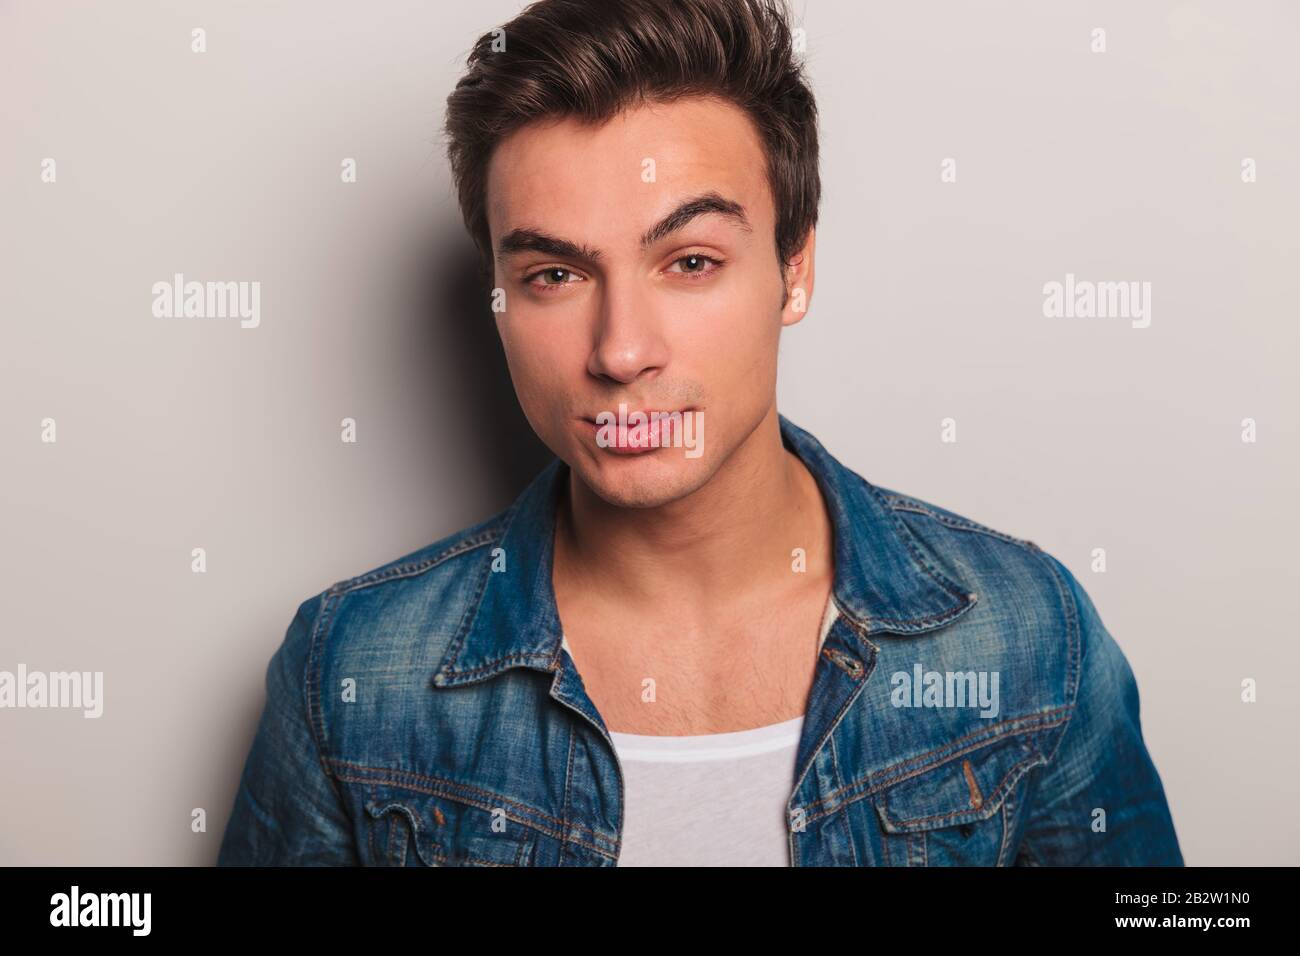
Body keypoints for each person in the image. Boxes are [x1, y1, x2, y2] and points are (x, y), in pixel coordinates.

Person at [218, 0, 1182, 866]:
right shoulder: (351, 673)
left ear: (793, 269)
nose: (622, 350)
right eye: (557, 274)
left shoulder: (1022, 641)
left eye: (689, 260)